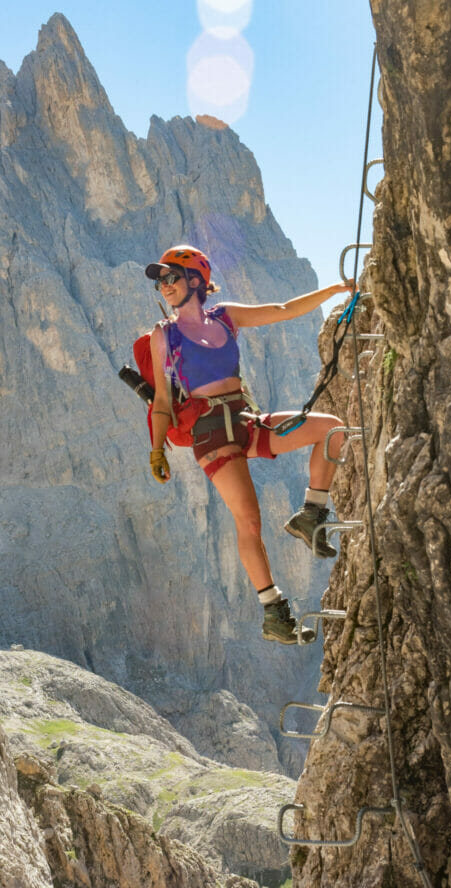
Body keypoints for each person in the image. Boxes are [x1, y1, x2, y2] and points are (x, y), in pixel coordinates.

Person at [145, 245, 354, 645]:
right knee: (250, 520)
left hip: (244, 422)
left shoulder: (226, 317)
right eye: (160, 281)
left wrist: (332, 291)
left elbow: (282, 309)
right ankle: (274, 611)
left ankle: (311, 514)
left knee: (332, 428)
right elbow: (162, 403)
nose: (164, 286)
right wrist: (156, 450)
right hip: (211, 434)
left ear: (196, 281)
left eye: (171, 277)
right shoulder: (163, 335)